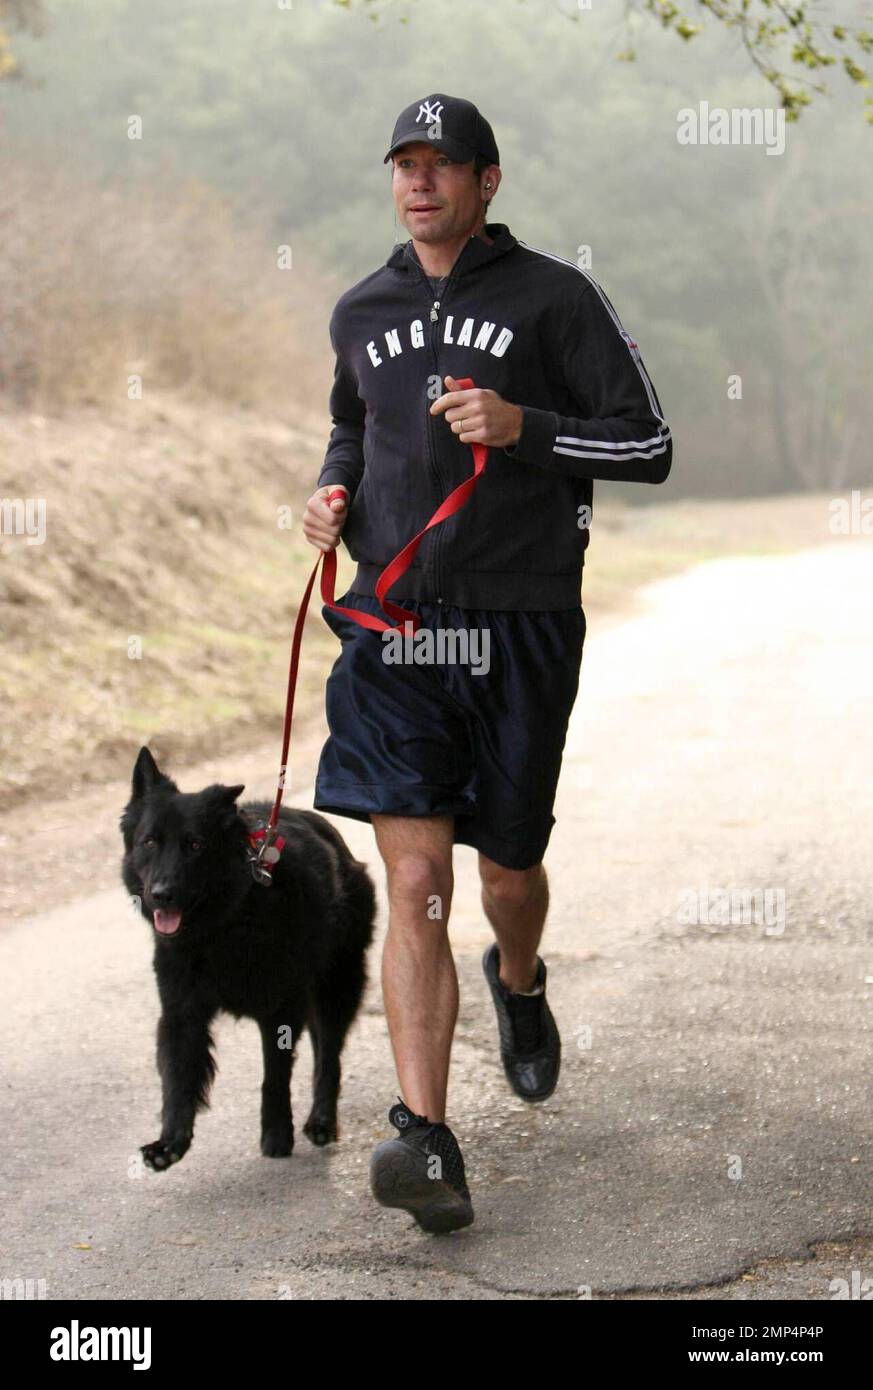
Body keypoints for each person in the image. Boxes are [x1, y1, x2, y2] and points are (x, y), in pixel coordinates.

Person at [302, 93, 672, 1234]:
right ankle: (426, 1138)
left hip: (521, 624)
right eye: (404, 165)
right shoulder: (362, 308)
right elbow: (353, 428)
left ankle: (520, 983)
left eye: (442, 165)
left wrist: (529, 429)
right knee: (415, 885)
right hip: (396, 629)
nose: (420, 183)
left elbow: (649, 444)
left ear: (487, 181)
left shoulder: (557, 296)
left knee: (507, 874)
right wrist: (332, 493)